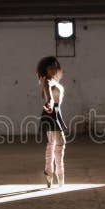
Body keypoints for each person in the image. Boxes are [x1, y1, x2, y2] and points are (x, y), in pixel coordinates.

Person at [36, 56, 68, 188]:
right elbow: (49, 97)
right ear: (45, 69)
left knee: (53, 144)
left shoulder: (53, 80)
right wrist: (49, 103)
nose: (53, 70)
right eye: (50, 68)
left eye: (55, 67)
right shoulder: (47, 81)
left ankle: (49, 173)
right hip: (52, 113)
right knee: (60, 144)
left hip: (55, 113)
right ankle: (59, 174)